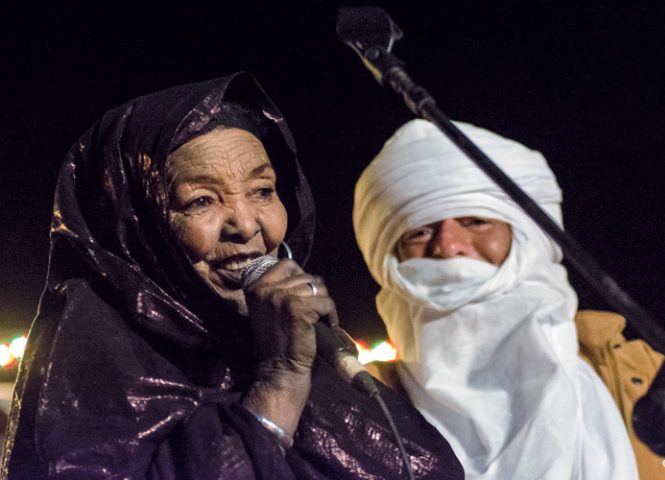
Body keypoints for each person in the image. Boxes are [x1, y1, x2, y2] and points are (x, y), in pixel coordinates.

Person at [1, 74, 463, 479]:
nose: (245, 225)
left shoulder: (293, 348)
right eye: (201, 201)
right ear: (134, 229)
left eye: (262, 190)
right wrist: (279, 383)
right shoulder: (87, 380)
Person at [353, 119, 665, 479]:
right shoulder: (366, 410)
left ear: (526, 238)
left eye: (475, 221)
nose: (449, 247)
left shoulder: (634, 376)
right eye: (419, 233)